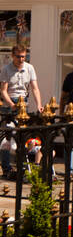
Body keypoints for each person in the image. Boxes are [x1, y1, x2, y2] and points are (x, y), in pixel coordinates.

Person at [0, 45, 43, 179]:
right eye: (18, 56)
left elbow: (35, 88)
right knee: (6, 138)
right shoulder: (6, 69)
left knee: (22, 136)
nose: (21, 59)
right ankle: (6, 168)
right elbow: (3, 90)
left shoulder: (29, 68)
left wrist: (39, 105)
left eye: (23, 56)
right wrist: (12, 105)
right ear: (13, 56)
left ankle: (22, 166)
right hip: (10, 103)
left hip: (24, 102)